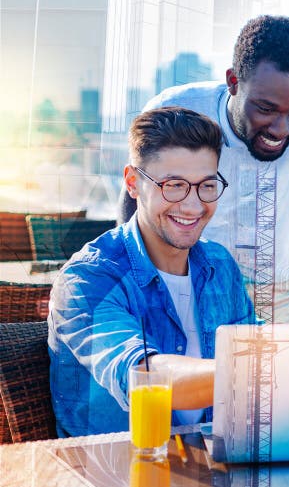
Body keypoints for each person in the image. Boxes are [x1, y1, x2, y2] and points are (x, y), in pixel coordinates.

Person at [119, 14, 289, 325]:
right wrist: (140, 278)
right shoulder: (178, 108)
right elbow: (137, 194)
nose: (281, 128)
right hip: (185, 280)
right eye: (266, 108)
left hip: (277, 293)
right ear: (233, 82)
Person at [49, 107, 256, 437]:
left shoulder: (221, 267)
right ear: (133, 183)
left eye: (206, 185)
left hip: (209, 469)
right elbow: (144, 378)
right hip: (113, 477)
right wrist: (264, 371)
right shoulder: (89, 279)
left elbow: (253, 349)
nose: (192, 205)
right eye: (173, 185)